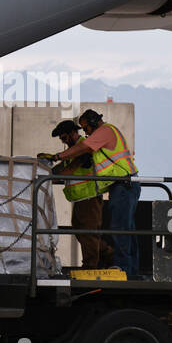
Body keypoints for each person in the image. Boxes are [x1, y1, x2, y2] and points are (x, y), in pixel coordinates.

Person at [56, 109, 139, 276]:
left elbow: (83, 150)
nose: (85, 133)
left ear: (94, 123)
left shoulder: (105, 131)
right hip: (120, 185)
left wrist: (58, 156)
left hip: (123, 184)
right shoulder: (101, 134)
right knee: (125, 228)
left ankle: (123, 268)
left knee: (119, 228)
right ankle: (128, 268)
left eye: (86, 128)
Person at [42, 119, 105, 269]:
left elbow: (71, 168)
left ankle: (90, 266)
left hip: (89, 197)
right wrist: (45, 172)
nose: (63, 142)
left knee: (87, 234)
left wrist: (48, 178)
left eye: (64, 138)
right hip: (81, 199)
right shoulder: (74, 150)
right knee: (81, 231)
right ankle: (107, 255)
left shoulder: (84, 147)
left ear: (72, 133)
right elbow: (61, 168)